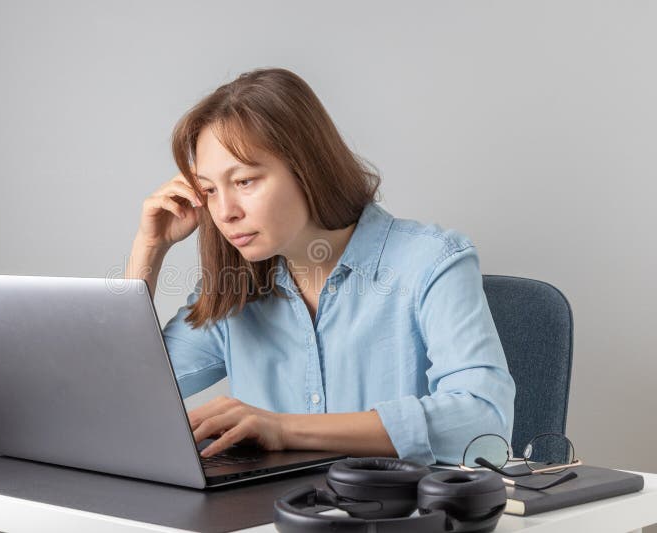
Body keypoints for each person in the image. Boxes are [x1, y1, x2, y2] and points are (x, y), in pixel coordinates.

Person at [124, 67, 515, 465]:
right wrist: (149, 248)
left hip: (393, 503)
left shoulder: (431, 262)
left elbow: (482, 422)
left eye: (244, 181)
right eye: (209, 190)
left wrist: (283, 429)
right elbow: (126, 393)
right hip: (269, 506)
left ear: (307, 169)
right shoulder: (234, 290)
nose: (224, 212)